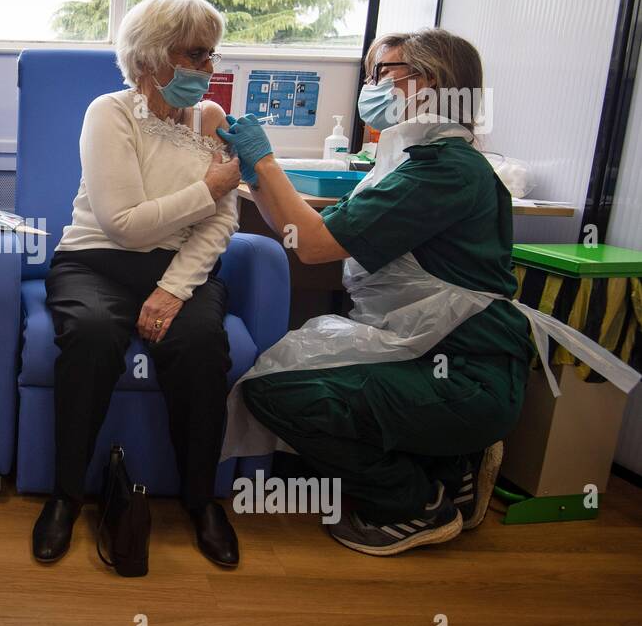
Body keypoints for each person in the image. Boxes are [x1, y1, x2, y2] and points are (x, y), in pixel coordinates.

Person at [219, 28, 531, 556]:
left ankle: (410, 505)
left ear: (429, 81)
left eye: (382, 73)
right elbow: (309, 231)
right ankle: (450, 467)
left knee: (276, 392)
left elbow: (314, 246)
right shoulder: (412, 162)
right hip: (431, 353)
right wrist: (256, 175)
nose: (372, 87)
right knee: (297, 371)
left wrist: (266, 163)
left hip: (463, 371)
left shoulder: (443, 171)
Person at [33, 0, 244, 571]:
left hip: (180, 269)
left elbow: (222, 221)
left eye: (211, 54)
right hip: (94, 261)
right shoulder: (110, 112)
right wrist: (209, 187)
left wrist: (173, 289)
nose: (208, 67)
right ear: (151, 57)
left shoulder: (212, 121)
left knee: (201, 343)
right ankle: (65, 496)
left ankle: (201, 502)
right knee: (92, 334)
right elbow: (123, 225)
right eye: (195, 54)